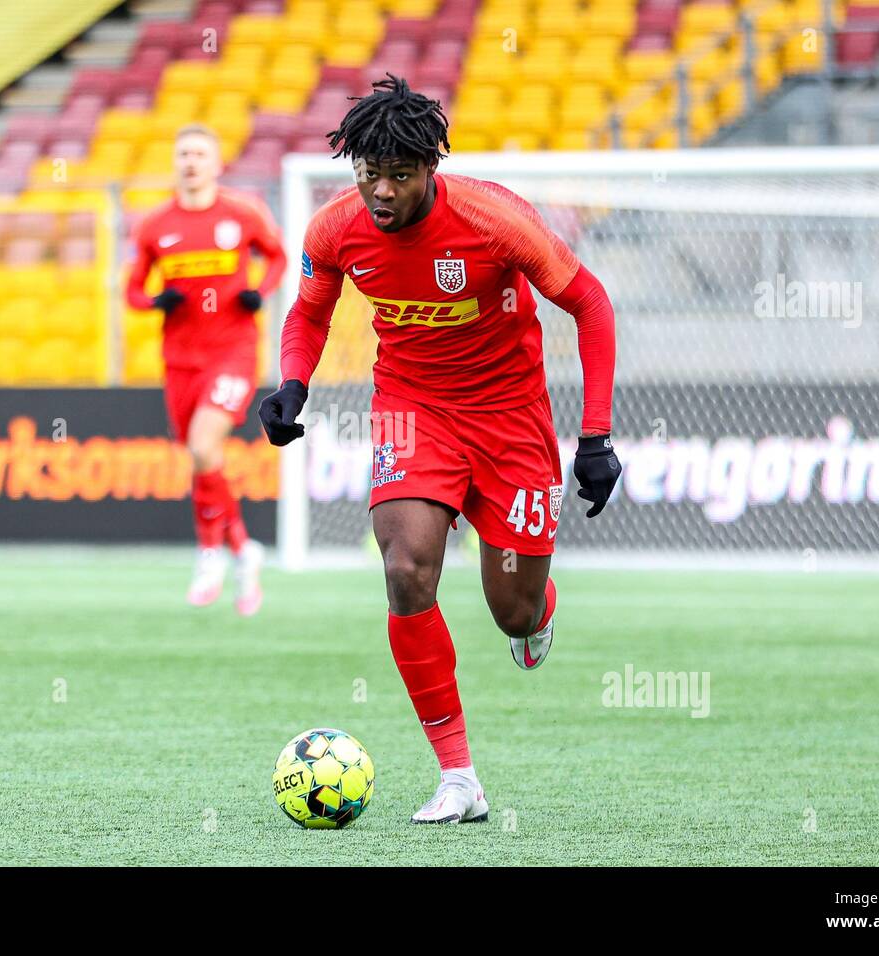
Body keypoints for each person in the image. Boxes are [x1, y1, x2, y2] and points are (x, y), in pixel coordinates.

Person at [259, 76, 622, 823]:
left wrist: (596, 436)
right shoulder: (334, 230)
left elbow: (589, 303)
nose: (382, 192)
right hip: (409, 408)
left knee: (512, 611)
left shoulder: (495, 222)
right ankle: (459, 776)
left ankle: (534, 614)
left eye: (399, 175)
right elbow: (308, 312)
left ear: (432, 167)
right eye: (369, 175)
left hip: (511, 418)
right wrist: (292, 384)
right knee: (405, 569)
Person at [126, 124, 287, 615]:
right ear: (175, 163)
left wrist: (260, 291)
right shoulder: (155, 226)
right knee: (202, 457)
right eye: (183, 154)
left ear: (217, 164)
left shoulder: (242, 214)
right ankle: (243, 548)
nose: (191, 161)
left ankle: (210, 552)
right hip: (180, 360)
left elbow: (278, 257)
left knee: (202, 445)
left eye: (200, 154)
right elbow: (131, 291)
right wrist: (157, 300)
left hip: (232, 352)